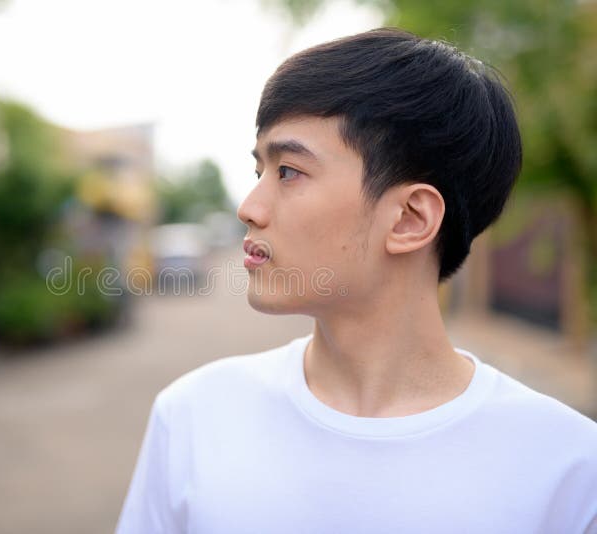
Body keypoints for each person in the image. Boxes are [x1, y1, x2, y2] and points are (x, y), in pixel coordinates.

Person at [116, 28, 597, 533]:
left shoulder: (568, 471)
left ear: (410, 219)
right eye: (259, 171)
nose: (249, 208)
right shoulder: (195, 417)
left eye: (288, 171)